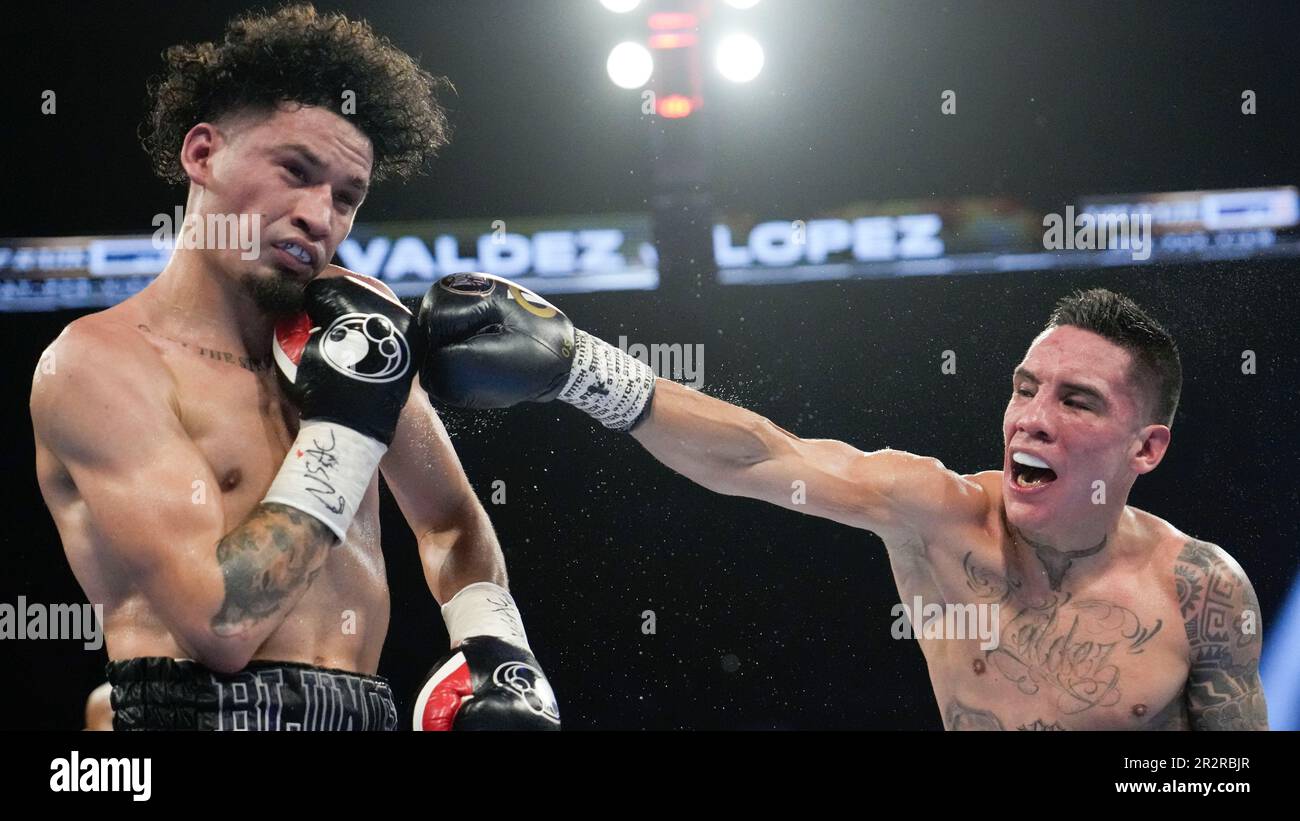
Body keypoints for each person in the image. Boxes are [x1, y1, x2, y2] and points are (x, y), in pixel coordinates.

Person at [417, 273, 1268, 730]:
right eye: (1024, 388)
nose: (1031, 420)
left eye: (1076, 400)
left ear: (1146, 447)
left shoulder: (1199, 586)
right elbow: (761, 456)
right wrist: (581, 369)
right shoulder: (935, 514)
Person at [31, 5, 557, 731]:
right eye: (296, 171)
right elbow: (222, 624)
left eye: (346, 197)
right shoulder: (99, 363)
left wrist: (496, 645)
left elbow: (450, 523)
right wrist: (345, 426)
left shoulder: (349, 334)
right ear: (203, 154)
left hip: (367, 709)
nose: (320, 215)